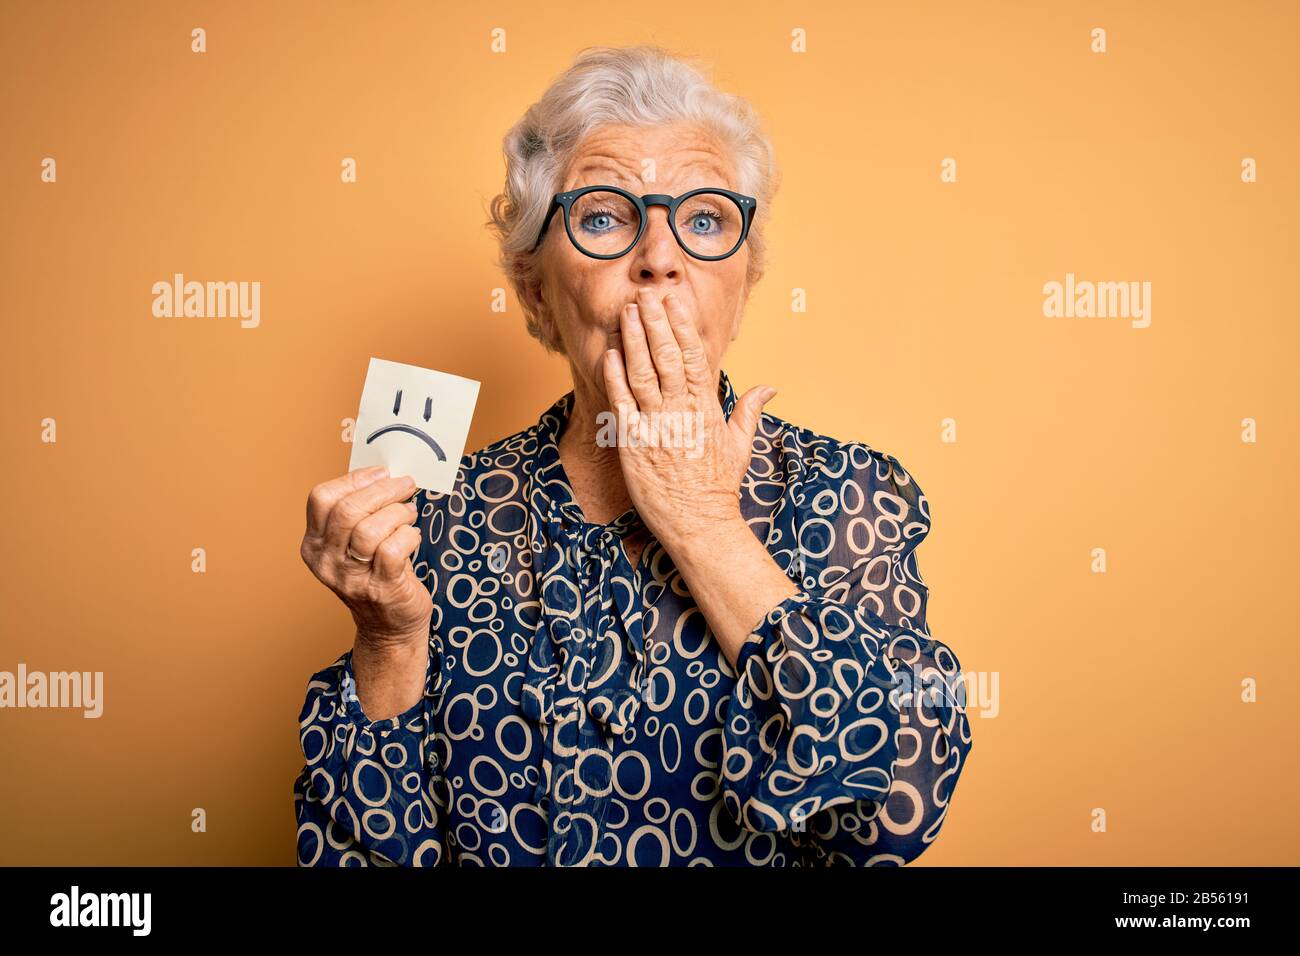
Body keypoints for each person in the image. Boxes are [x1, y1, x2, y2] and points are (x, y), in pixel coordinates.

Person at [294, 44, 972, 866]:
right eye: (606, 215)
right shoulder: (433, 518)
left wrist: (704, 524)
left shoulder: (849, 491)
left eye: (705, 218)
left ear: (744, 284)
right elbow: (354, 856)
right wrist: (389, 641)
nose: (660, 256)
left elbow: (895, 810)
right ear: (536, 286)